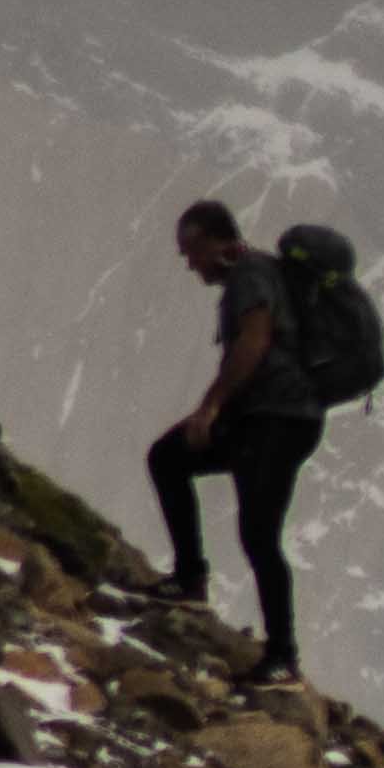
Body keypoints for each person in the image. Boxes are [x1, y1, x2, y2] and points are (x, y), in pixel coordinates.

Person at [144, 199, 325, 684]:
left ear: (216, 243)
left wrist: (211, 406)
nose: (190, 263)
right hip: (273, 419)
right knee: (169, 459)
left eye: (192, 251)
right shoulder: (260, 271)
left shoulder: (249, 276)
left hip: (277, 420)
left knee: (259, 534)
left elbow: (254, 341)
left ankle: (282, 654)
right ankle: (190, 578)